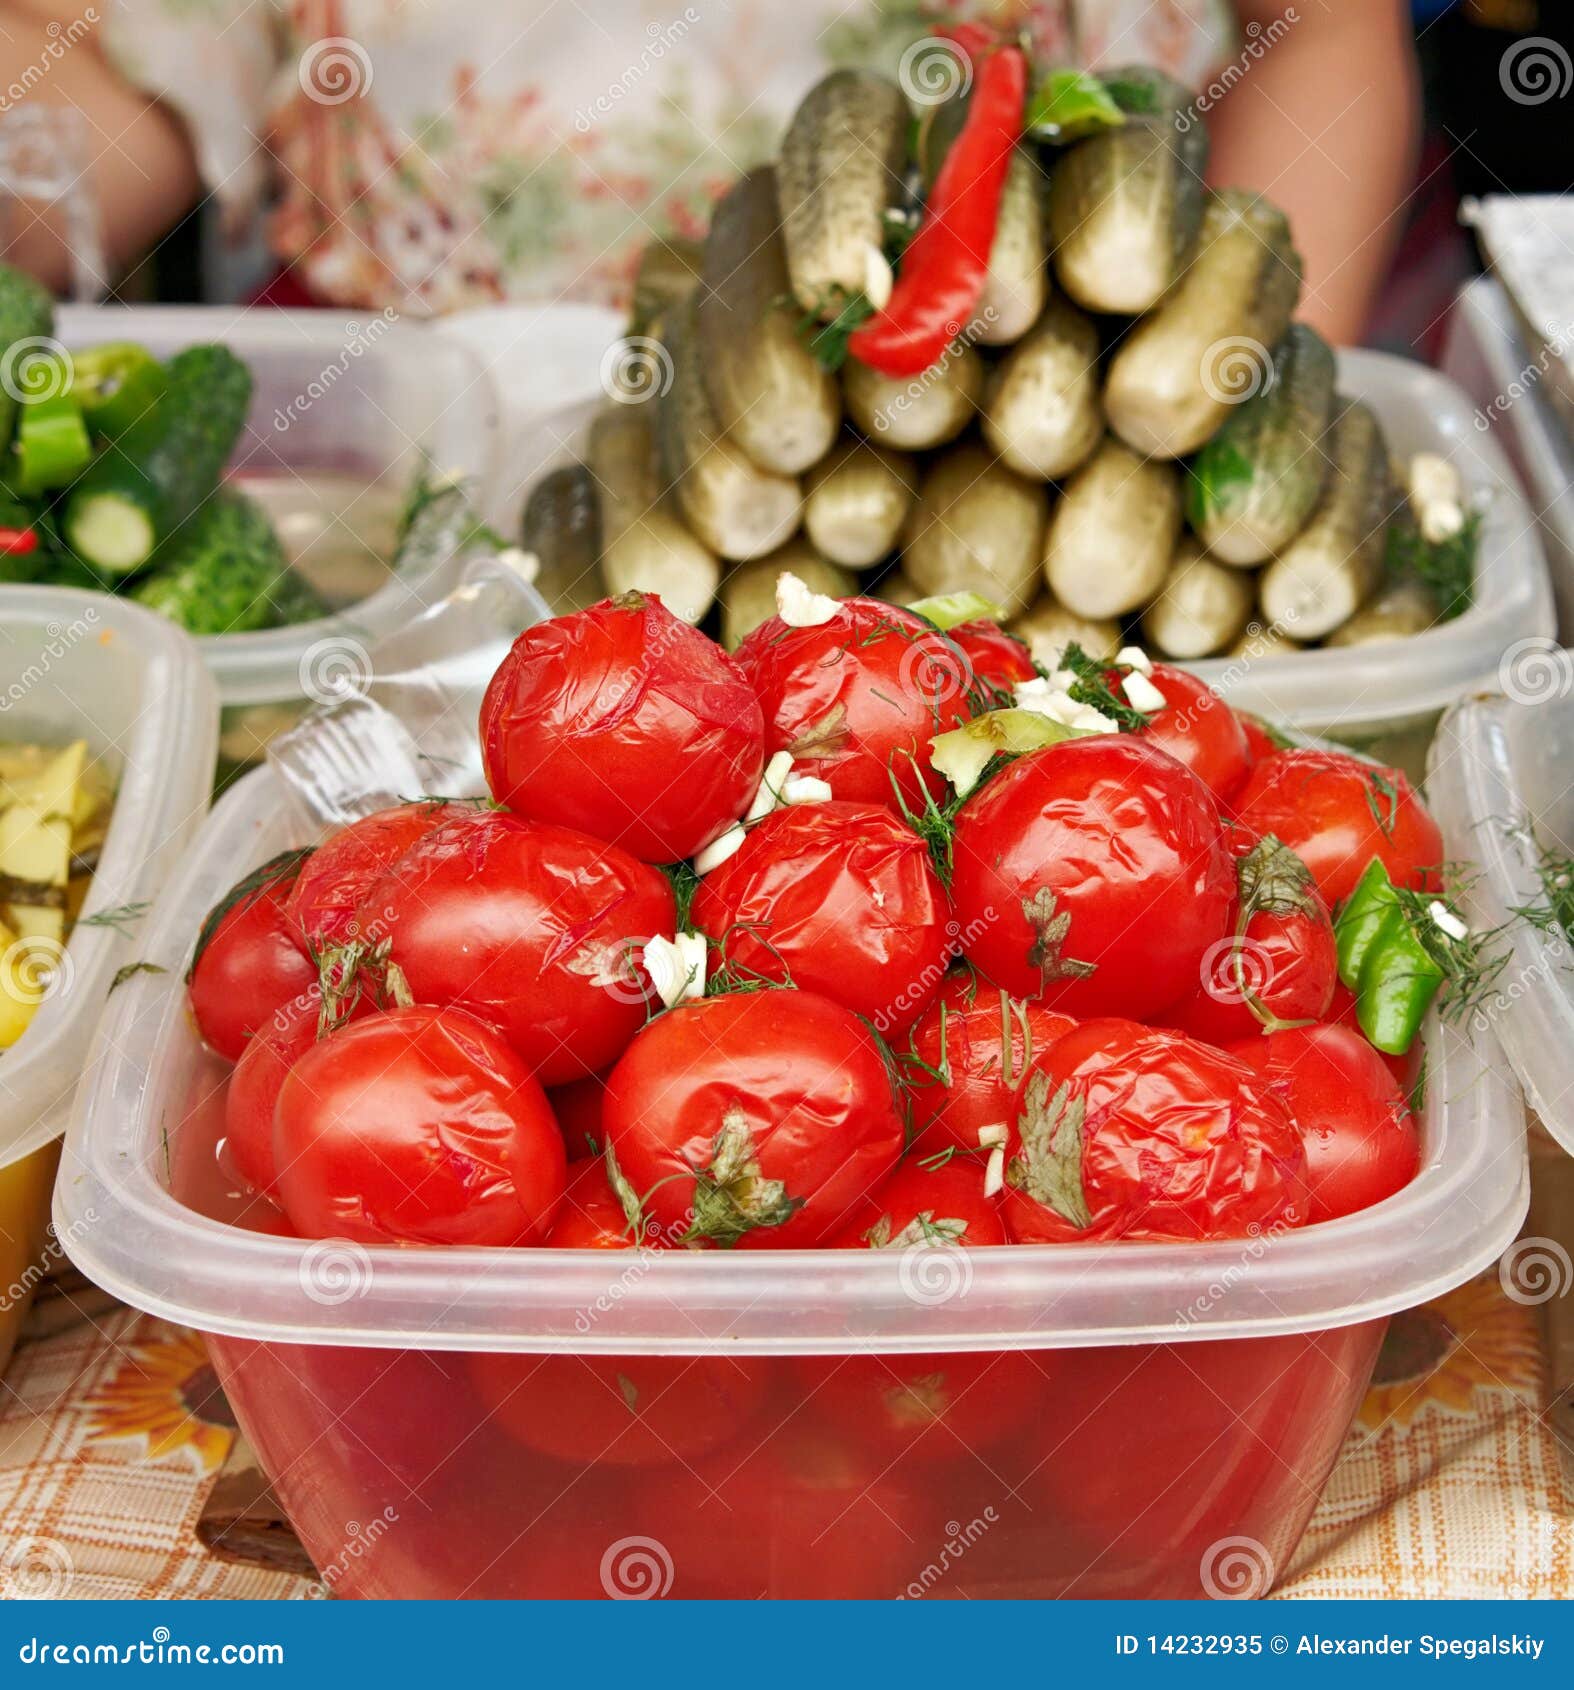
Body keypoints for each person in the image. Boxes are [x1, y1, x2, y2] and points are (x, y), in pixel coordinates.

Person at [0, 0, 1418, 343]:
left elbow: (1320, 25)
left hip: (1055, 398)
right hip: (425, 471)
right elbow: (108, 103)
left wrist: (1231, 387)